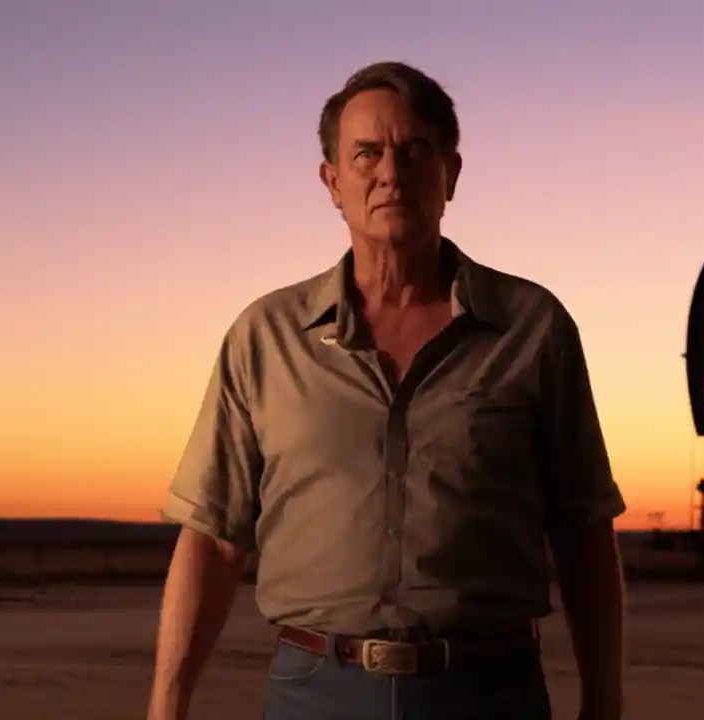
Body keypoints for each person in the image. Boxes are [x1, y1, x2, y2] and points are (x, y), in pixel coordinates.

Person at [148, 61, 627, 720]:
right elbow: (212, 539)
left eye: (414, 150)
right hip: (314, 693)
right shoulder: (266, 338)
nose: (389, 172)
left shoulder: (532, 328)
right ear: (333, 182)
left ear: (451, 173)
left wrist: (605, 701)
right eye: (366, 153)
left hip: (489, 695)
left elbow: (583, 530)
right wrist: (166, 704)